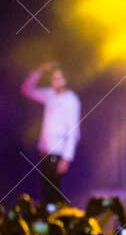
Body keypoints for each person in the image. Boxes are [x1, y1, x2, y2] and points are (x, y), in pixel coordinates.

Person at [20, 62, 81, 205]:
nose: (55, 81)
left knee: (54, 192)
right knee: (46, 192)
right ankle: (49, 215)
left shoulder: (71, 100)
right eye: (53, 78)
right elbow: (26, 89)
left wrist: (66, 158)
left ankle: (59, 216)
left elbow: (74, 130)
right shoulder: (49, 94)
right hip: (45, 151)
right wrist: (39, 71)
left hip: (58, 152)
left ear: (65, 80)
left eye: (59, 78)